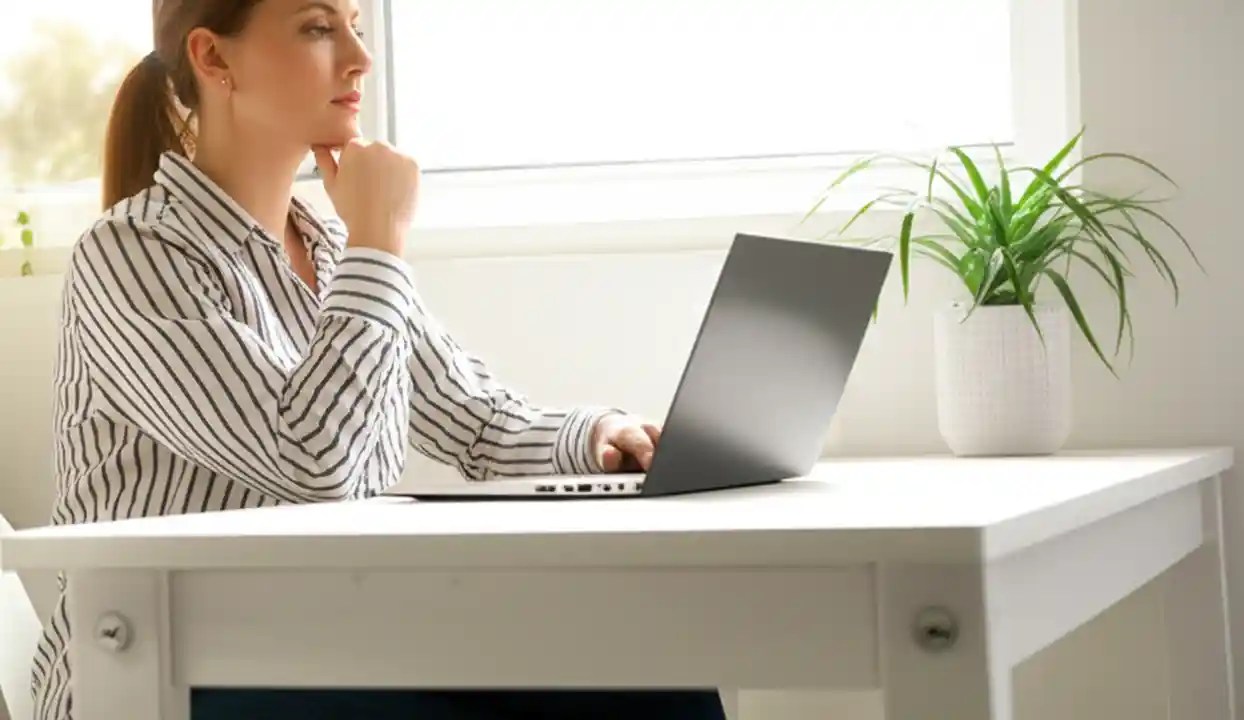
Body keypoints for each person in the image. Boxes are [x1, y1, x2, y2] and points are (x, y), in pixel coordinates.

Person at [30, 1, 726, 718]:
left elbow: (474, 420)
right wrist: (380, 237)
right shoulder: (131, 256)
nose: (360, 57)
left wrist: (600, 436)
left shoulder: (335, 252)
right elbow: (315, 461)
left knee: (649, 671)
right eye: (318, 27)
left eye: (356, 25)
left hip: (327, 645)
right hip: (156, 674)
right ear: (214, 58)